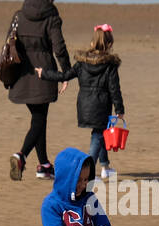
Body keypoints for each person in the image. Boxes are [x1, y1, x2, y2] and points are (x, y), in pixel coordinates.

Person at [34, 23, 125, 179]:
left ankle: (105, 167)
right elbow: (114, 89)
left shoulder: (82, 63)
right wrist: (119, 110)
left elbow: (64, 76)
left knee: (101, 133)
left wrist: (45, 74)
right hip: (101, 106)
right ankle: (88, 173)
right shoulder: (110, 66)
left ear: (92, 43)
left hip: (84, 106)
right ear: (109, 44)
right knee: (97, 135)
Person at [6, 0, 71, 181]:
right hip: (43, 74)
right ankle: (21, 155)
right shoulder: (52, 18)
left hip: (22, 74)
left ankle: (44, 166)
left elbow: (9, 44)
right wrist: (66, 72)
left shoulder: (18, 15)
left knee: (38, 118)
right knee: (39, 119)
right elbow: (59, 47)